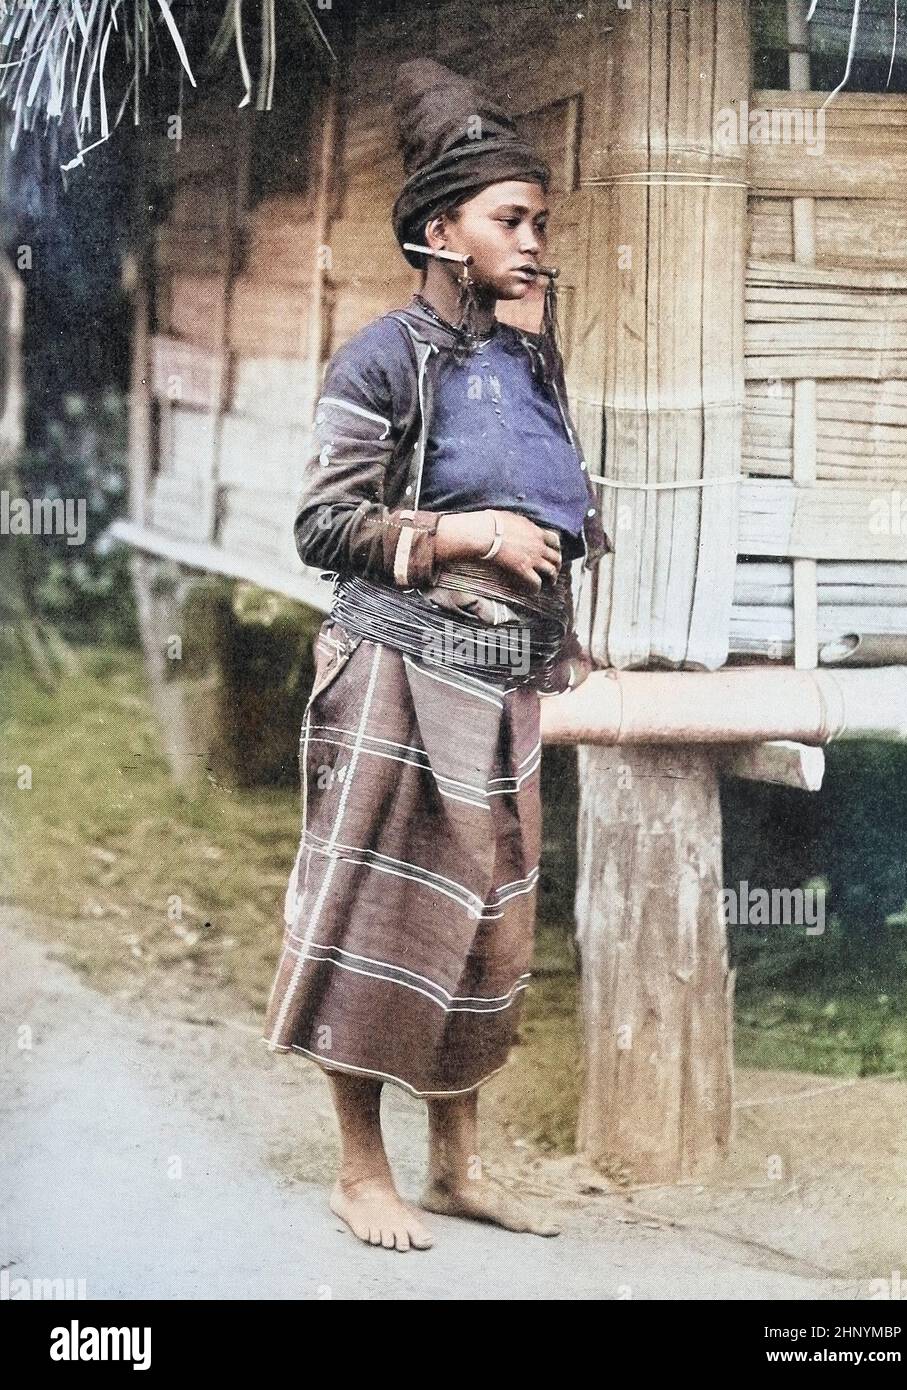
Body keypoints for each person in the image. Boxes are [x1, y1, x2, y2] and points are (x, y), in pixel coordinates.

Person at [262, 58, 611, 1253]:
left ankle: (459, 1166)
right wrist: (467, 532)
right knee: (382, 914)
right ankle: (363, 1171)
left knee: (490, 926)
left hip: (500, 686)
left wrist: (558, 619)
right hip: (397, 669)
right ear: (437, 230)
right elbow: (322, 526)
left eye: (539, 223)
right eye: (511, 222)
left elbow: (550, 514)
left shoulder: (525, 363)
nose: (533, 243)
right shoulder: (380, 358)